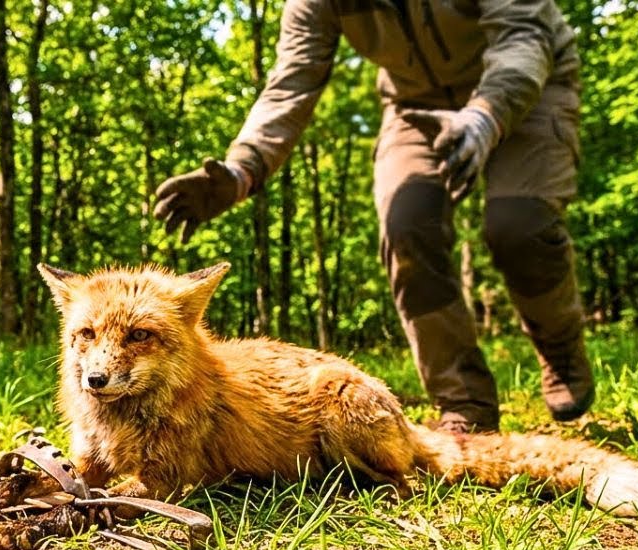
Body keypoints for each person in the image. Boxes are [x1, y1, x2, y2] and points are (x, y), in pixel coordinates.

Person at [154, 0, 592, 434]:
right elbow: (292, 81)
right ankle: (465, 405)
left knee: (520, 226)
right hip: (414, 102)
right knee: (407, 226)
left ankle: (560, 348)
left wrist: (484, 117)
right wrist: (241, 170)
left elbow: (523, 34)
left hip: (529, 84)